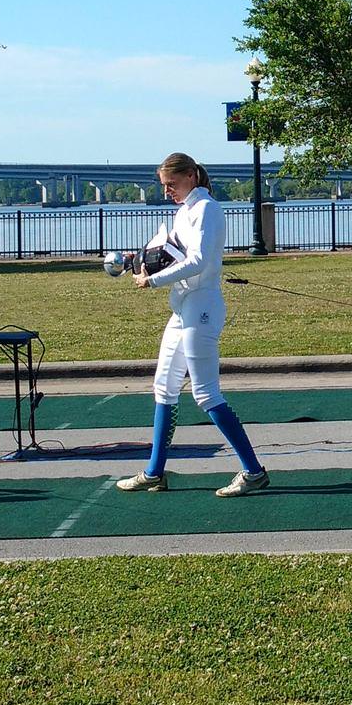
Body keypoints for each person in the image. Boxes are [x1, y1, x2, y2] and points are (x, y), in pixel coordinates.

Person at [115, 152, 269, 496]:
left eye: (171, 184)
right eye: (164, 186)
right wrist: (139, 261)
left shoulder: (207, 209)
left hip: (202, 306)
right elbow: (172, 254)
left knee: (206, 393)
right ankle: (154, 472)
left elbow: (198, 261)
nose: (167, 191)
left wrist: (152, 282)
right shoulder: (183, 211)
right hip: (183, 307)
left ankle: (253, 470)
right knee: (164, 386)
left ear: (190, 176)